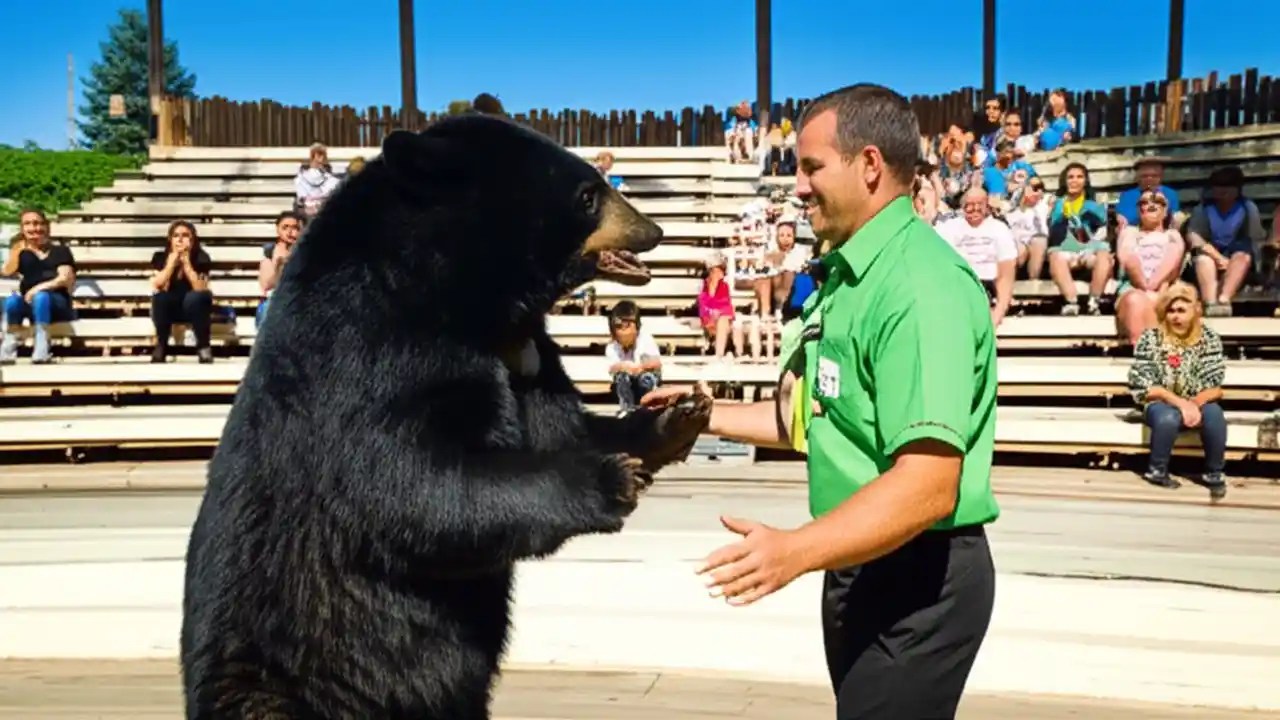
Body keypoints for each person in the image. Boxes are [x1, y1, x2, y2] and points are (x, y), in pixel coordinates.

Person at [643, 83, 999, 719]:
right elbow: (808, 417)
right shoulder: (849, 274)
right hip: (859, 558)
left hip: (919, 576)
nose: (798, 185)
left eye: (812, 167)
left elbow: (928, 485)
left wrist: (794, 551)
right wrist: (701, 412)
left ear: (868, 166)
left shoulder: (919, 287)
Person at [1127, 282, 1228, 499]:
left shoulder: (1208, 338)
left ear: (1195, 311)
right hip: (1160, 401)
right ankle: (1157, 470)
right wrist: (1181, 403)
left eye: (1181, 310)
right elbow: (1144, 385)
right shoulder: (1151, 339)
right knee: (1167, 417)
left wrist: (1194, 403)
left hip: (1197, 399)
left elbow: (1215, 387)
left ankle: (1214, 473)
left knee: (1214, 415)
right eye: (1171, 311)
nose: (1175, 317)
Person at [0, 209, 77, 364]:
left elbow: (65, 278)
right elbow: (7, 271)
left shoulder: (60, 251)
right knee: (12, 301)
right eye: (27, 224)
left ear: (46, 227)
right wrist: (17, 250)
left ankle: (41, 347)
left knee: (41, 297)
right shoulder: (23, 253)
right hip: (31, 304)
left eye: (38, 223)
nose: (34, 228)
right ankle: (9, 346)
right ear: (22, 229)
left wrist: (37, 289)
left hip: (57, 303)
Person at [150, 220, 215, 364]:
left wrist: (186, 264)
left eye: (185, 235)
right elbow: (158, 285)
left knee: (197, 297)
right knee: (160, 297)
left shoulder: (201, 258)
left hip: (195, 308)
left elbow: (200, 287)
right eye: (176, 235)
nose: (180, 239)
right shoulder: (160, 257)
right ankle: (161, 345)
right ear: (170, 239)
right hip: (170, 306)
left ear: (192, 240)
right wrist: (171, 264)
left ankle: (203, 346)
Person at [603, 300, 661, 413]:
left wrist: (640, 368)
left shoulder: (645, 339)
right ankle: (627, 409)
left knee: (647, 378)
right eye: (619, 327)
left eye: (627, 326)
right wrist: (624, 367)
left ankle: (648, 407)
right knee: (621, 378)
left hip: (645, 374)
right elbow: (612, 367)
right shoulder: (612, 347)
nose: (624, 331)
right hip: (627, 378)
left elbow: (656, 362)